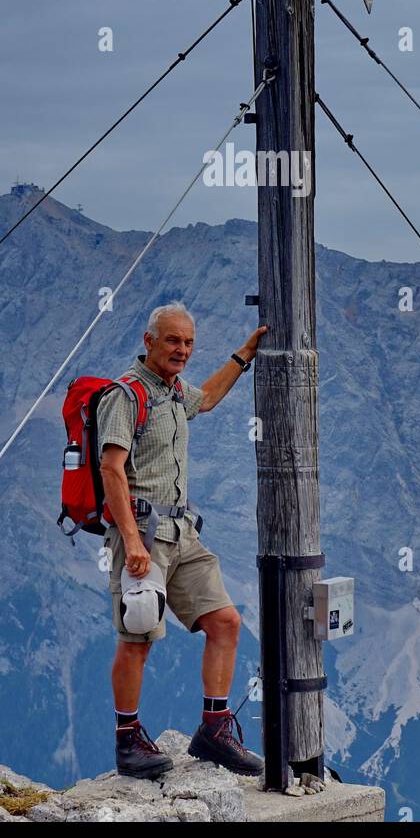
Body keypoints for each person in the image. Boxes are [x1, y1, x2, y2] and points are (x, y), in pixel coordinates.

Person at [98, 301, 268, 779]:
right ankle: (127, 741)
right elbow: (110, 467)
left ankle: (214, 731)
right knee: (138, 637)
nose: (182, 350)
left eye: (189, 342)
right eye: (173, 340)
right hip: (142, 535)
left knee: (226, 622)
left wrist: (243, 355)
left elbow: (207, 398)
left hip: (182, 531)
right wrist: (131, 542)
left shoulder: (173, 392)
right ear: (149, 340)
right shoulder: (126, 395)